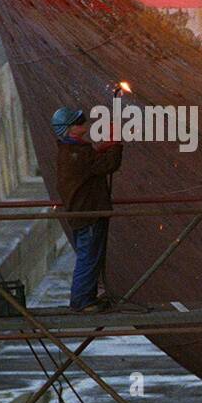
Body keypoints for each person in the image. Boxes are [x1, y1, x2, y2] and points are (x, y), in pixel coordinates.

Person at [52, 107, 121, 312]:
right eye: (79, 121)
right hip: (88, 213)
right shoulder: (76, 153)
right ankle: (82, 301)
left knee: (90, 255)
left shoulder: (72, 151)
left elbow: (91, 161)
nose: (84, 123)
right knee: (88, 257)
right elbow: (107, 165)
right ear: (70, 129)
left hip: (84, 212)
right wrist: (115, 143)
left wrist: (102, 148)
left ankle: (87, 298)